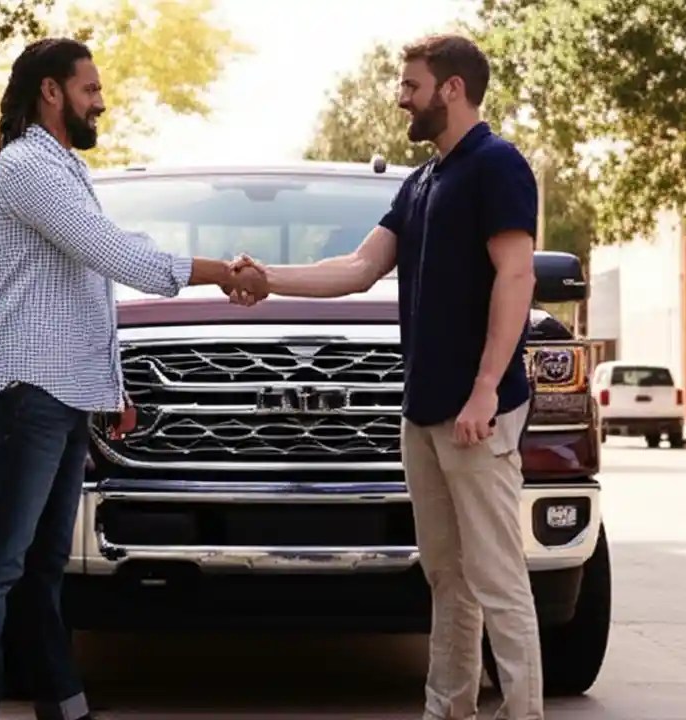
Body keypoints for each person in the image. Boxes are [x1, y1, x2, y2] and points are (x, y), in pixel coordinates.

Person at [0, 37, 267, 720]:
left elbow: (86, 287)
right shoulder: (28, 166)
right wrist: (217, 272)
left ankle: (63, 703)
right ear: (52, 92)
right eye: (90, 89)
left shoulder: (61, 168)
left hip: (62, 396)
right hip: (26, 393)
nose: (101, 101)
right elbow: (111, 254)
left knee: (43, 566)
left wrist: (112, 385)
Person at [228, 34, 543, 720]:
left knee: (496, 577)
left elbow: (516, 276)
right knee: (447, 578)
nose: (401, 96)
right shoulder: (423, 181)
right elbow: (358, 267)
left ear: (451, 88)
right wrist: (263, 280)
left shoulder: (497, 165)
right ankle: (446, 709)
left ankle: (524, 712)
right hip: (425, 409)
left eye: (411, 84)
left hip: (476, 408)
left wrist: (486, 388)